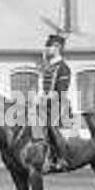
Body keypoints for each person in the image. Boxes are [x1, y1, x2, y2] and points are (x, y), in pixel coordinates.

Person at [38, 33, 72, 172]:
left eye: (49, 46)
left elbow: (61, 91)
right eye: (47, 46)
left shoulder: (63, 68)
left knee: (51, 126)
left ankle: (61, 158)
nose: (47, 49)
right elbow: (45, 89)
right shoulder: (48, 67)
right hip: (46, 104)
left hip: (59, 104)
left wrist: (46, 98)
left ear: (57, 47)